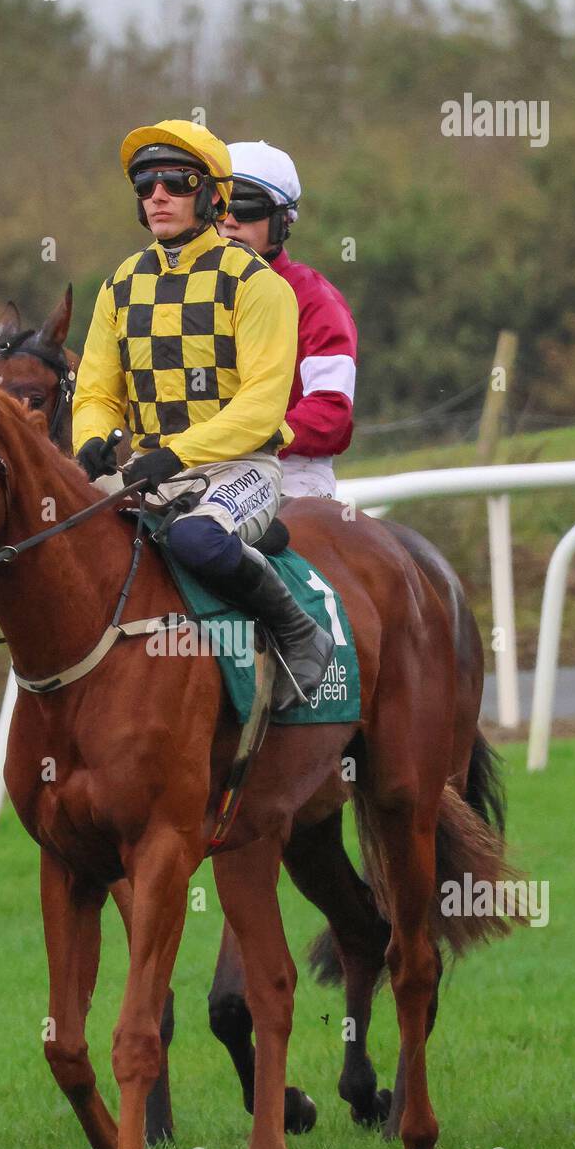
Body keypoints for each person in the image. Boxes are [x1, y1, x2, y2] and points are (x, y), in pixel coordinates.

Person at [72, 119, 334, 708]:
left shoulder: (258, 285)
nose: (157, 195)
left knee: (193, 540)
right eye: (145, 184)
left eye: (176, 181)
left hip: (239, 466)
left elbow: (262, 407)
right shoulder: (118, 286)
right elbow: (95, 393)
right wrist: (89, 438)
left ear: (211, 195)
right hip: (151, 466)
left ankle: (298, 632)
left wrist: (175, 454)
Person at [218, 140, 357, 501]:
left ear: (282, 221)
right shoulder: (179, 291)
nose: (229, 220)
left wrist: (247, 435)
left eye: (246, 207)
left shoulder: (316, 300)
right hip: (193, 465)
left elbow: (331, 410)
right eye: (218, 206)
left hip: (290, 472)